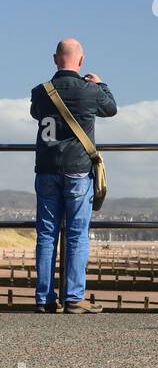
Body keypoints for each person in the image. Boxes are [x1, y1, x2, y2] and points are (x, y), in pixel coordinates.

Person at [30, 38, 117, 313]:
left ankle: (44, 299)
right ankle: (73, 298)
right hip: (78, 170)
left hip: (46, 169)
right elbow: (111, 108)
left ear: (55, 58)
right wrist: (101, 84)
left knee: (46, 235)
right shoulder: (89, 91)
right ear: (80, 61)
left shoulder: (40, 91)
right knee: (77, 235)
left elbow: (35, 113)